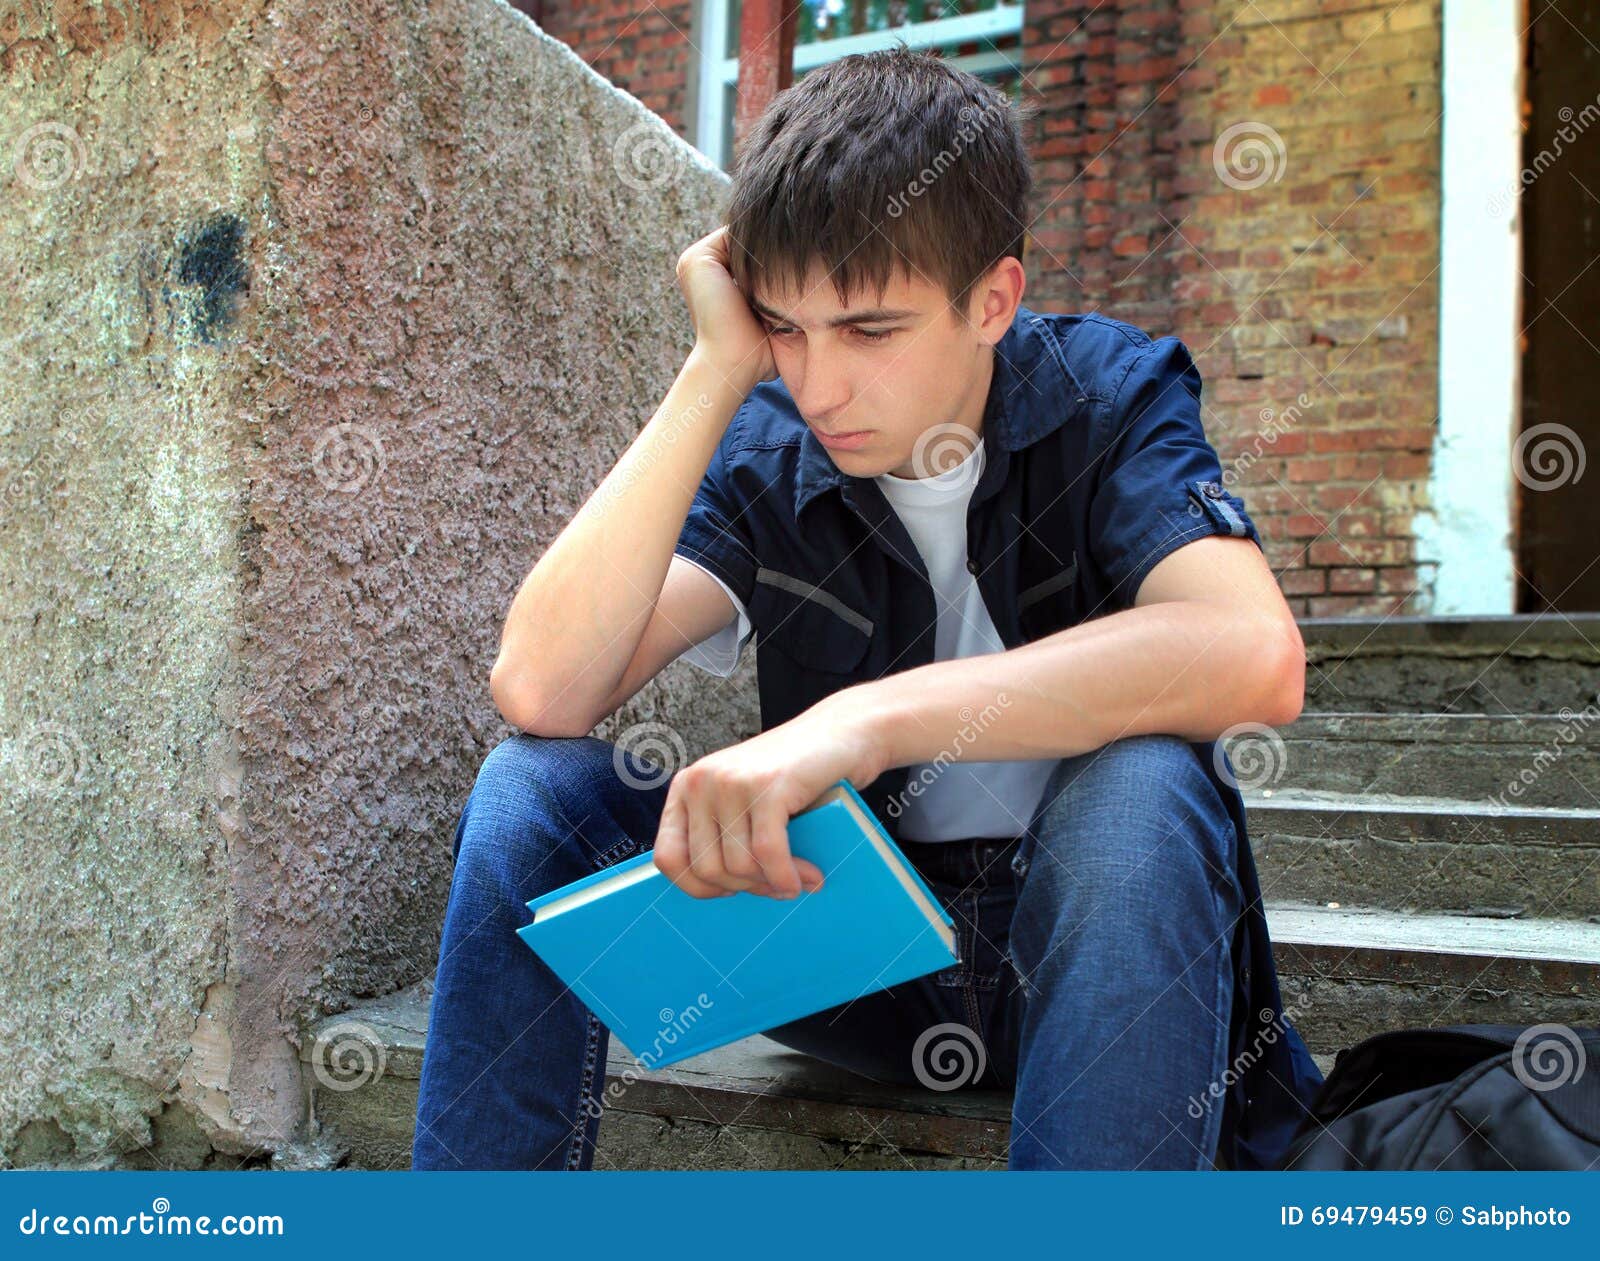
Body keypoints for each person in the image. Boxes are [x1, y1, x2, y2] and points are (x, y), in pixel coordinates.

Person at [412, 44, 1323, 1172]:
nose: (818, 384)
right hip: (856, 957)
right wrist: (714, 369)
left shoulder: (1110, 396)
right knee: (531, 790)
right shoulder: (770, 445)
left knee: (1143, 786)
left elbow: (1251, 652)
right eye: (787, 327)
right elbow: (544, 687)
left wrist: (864, 720)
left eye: (869, 330)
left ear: (992, 299)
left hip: (1099, 954)